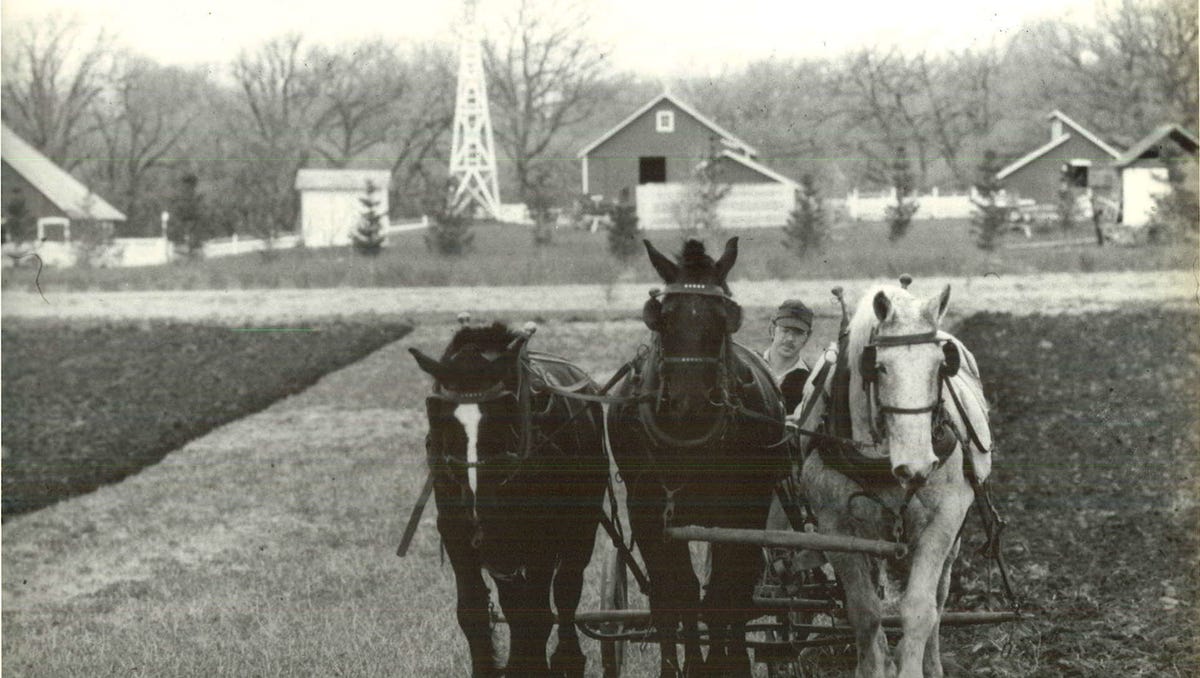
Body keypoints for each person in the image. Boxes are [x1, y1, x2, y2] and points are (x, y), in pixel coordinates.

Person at [763, 299, 814, 415]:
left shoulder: (810, 382)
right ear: (772, 329)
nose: (790, 338)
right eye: (785, 330)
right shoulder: (750, 366)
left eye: (798, 333)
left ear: (808, 337)